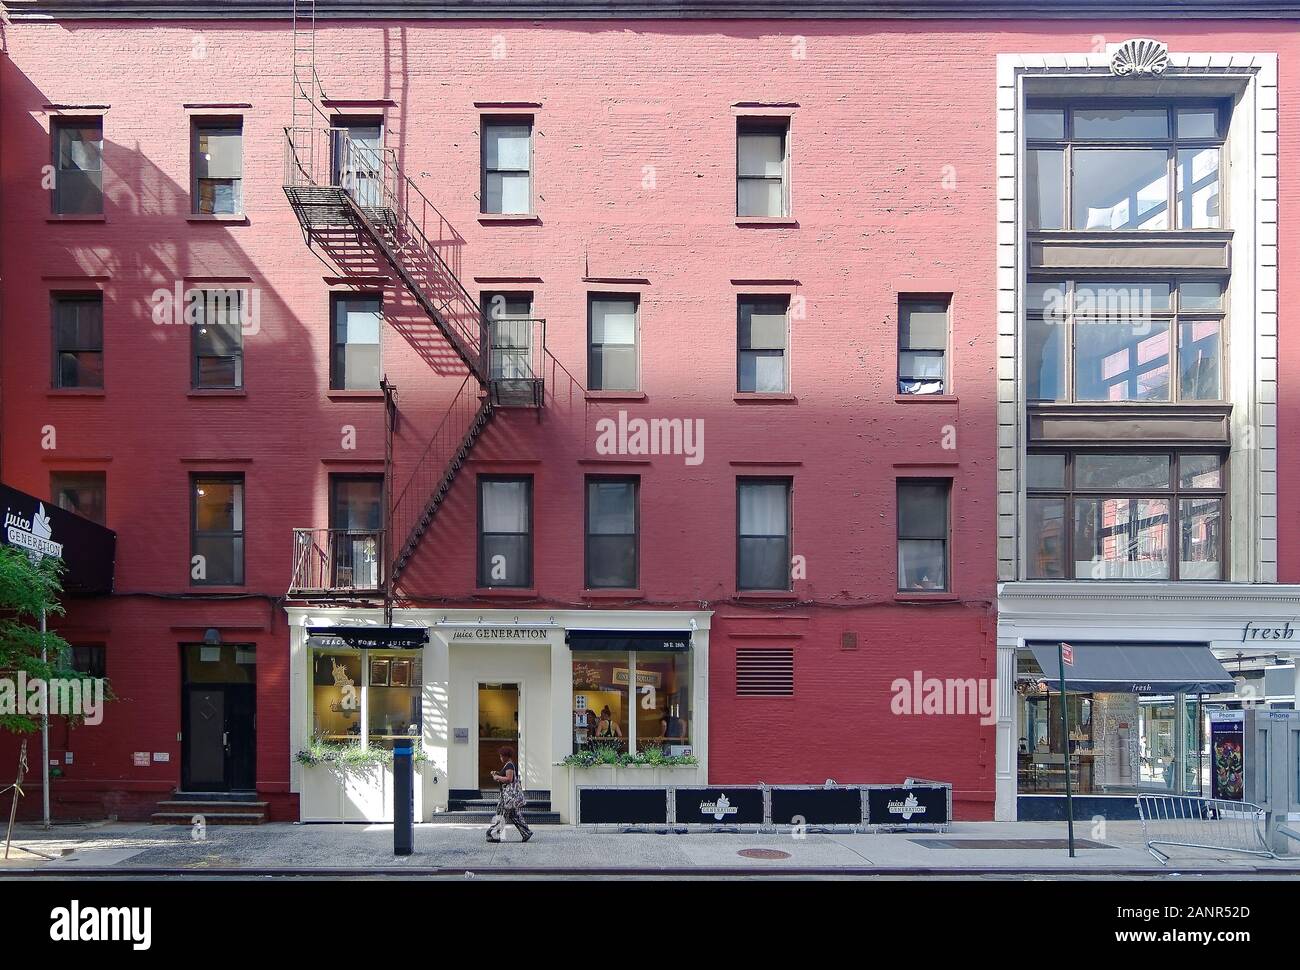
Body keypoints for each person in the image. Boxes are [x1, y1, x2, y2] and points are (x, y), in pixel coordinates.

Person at [486, 745, 532, 843]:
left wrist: (497, 777)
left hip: (507, 797)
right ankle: (526, 832)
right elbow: (507, 776)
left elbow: (509, 779)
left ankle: (493, 835)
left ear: (506, 756)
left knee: (500, 814)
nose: (500, 758)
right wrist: (497, 773)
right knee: (514, 815)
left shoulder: (509, 765)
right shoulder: (509, 764)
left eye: (501, 756)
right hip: (508, 797)